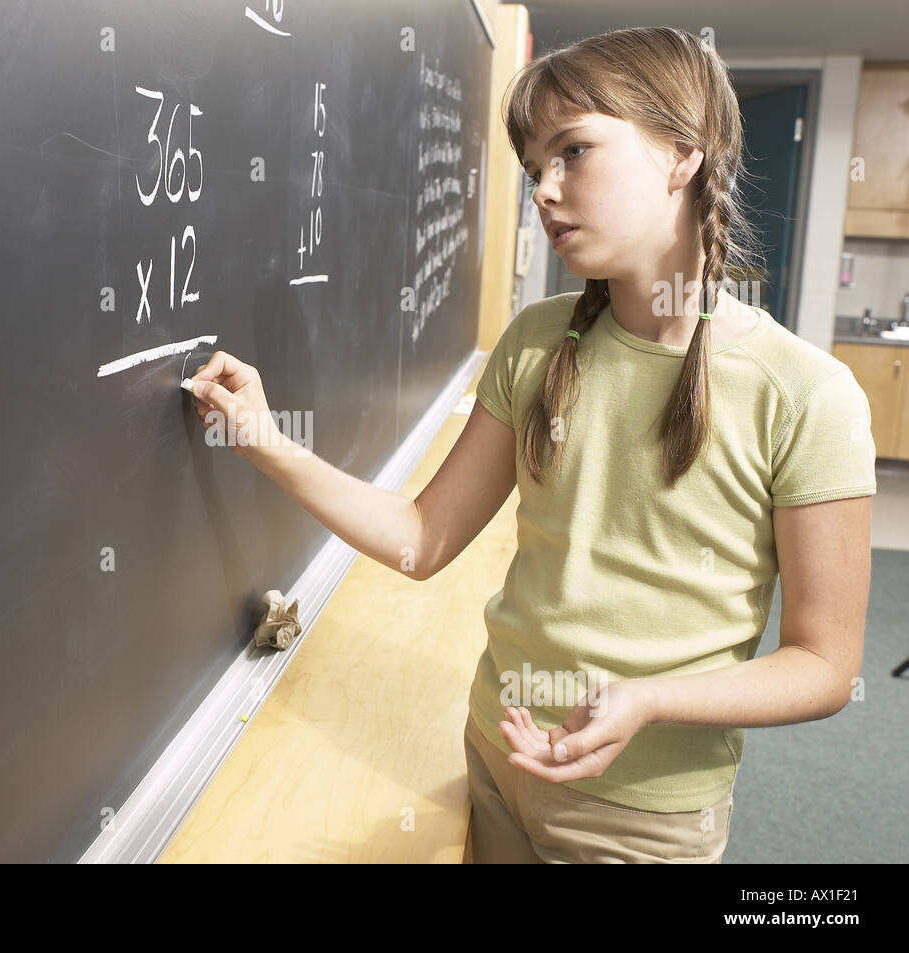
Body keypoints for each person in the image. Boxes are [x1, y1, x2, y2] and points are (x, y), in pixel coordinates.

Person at [182, 26, 876, 863]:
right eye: (534, 167)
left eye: (573, 151)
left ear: (682, 154)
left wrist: (649, 700)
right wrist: (264, 441)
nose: (544, 190)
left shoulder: (807, 393)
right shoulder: (537, 341)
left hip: (637, 816)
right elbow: (423, 537)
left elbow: (826, 664)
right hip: (495, 755)